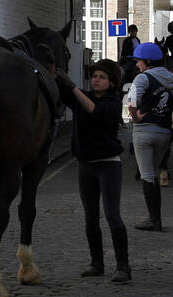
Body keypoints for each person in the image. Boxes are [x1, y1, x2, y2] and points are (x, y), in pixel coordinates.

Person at [56, 59, 131, 282]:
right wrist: (53, 73)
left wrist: (72, 86)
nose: (97, 80)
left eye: (102, 77)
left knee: (112, 214)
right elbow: (63, 93)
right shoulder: (83, 96)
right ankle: (96, 263)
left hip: (108, 164)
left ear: (111, 82)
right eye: (95, 76)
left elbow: (93, 110)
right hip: (86, 165)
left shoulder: (113, 102)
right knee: (91, 218)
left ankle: (123, 267)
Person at [126, 43, 173, 231]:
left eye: (139, 61)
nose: (137, 65)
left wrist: (134, 116)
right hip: (165, 132)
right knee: (154, 174)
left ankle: (154, 219)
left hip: (144, 131)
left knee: (147, 175)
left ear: (147, 61)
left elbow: (131, 100)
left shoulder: (143, 78)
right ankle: (155, 218)